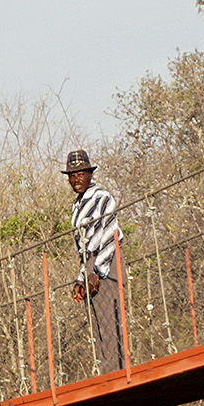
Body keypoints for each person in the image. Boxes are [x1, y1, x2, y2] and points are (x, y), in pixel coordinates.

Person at [65, 148, 124, 373]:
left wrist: (97, 272)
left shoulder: (101, 197)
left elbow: (110, 234)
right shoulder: (77, 205)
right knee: (97, 321)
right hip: (90, 263)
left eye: (81, 173)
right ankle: (105, 371)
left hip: (107, 261)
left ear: (90, 174)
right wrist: (81, 278)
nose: (76, 179)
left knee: (111, 318)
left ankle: (116, 371)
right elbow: (83, 246)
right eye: (72, 175)